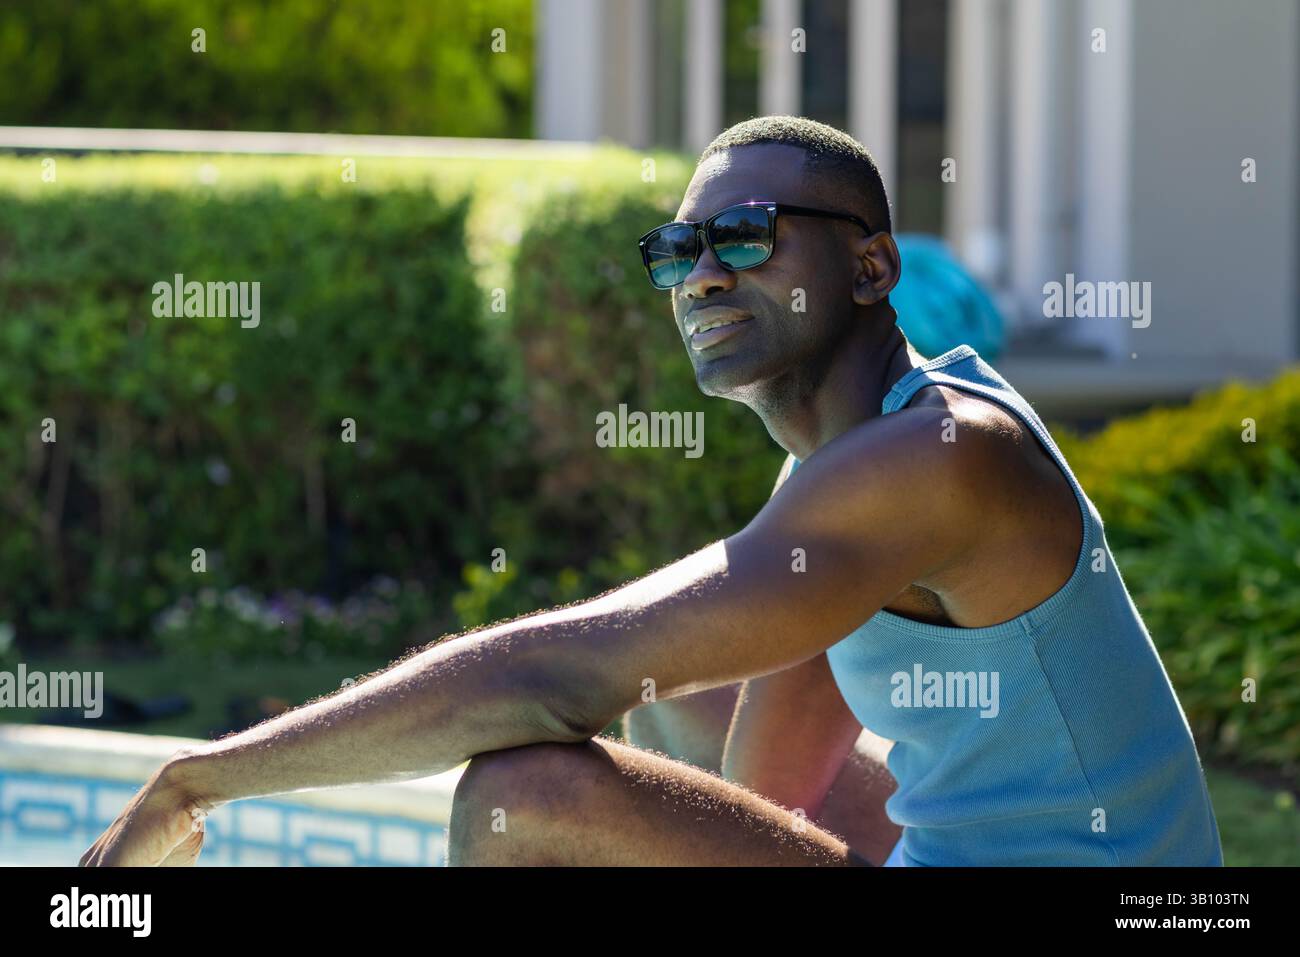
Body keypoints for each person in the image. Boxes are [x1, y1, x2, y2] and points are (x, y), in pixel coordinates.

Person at [81, 116, 1222, 867]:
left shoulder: (937, 459)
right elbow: (764, 788)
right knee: (679, 704)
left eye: (742, 234)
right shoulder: (839, 472)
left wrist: (198, 781)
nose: (703, 272)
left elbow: (552, 674)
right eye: (675, 251)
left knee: (526, 790)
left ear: (870, 267)